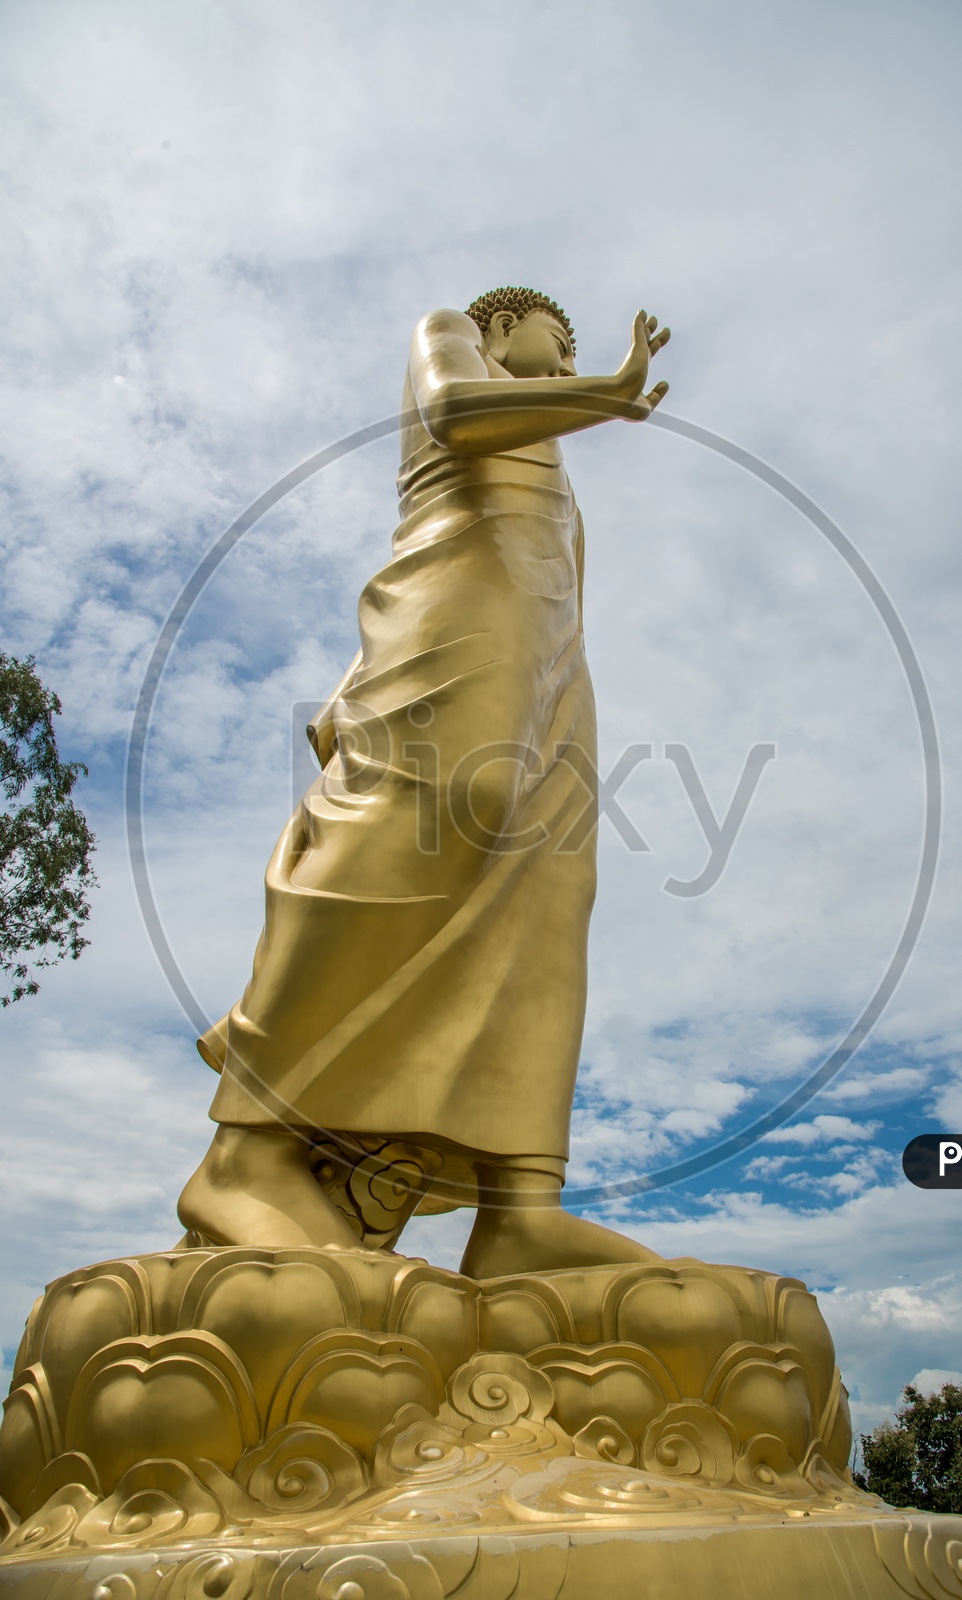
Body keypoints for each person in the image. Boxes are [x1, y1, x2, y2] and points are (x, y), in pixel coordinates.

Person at [178, 288, 671, 1276]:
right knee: (426, 814)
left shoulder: (556, 457)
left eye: (574, 346)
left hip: (551, 662)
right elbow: (451, 413)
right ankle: (248, 1153)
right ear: (504, 325)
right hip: (457, 612)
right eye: (555, 333)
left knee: (549, 883)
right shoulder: (453, 339)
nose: (565, 347)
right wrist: (606, 387)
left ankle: (521, 1206)